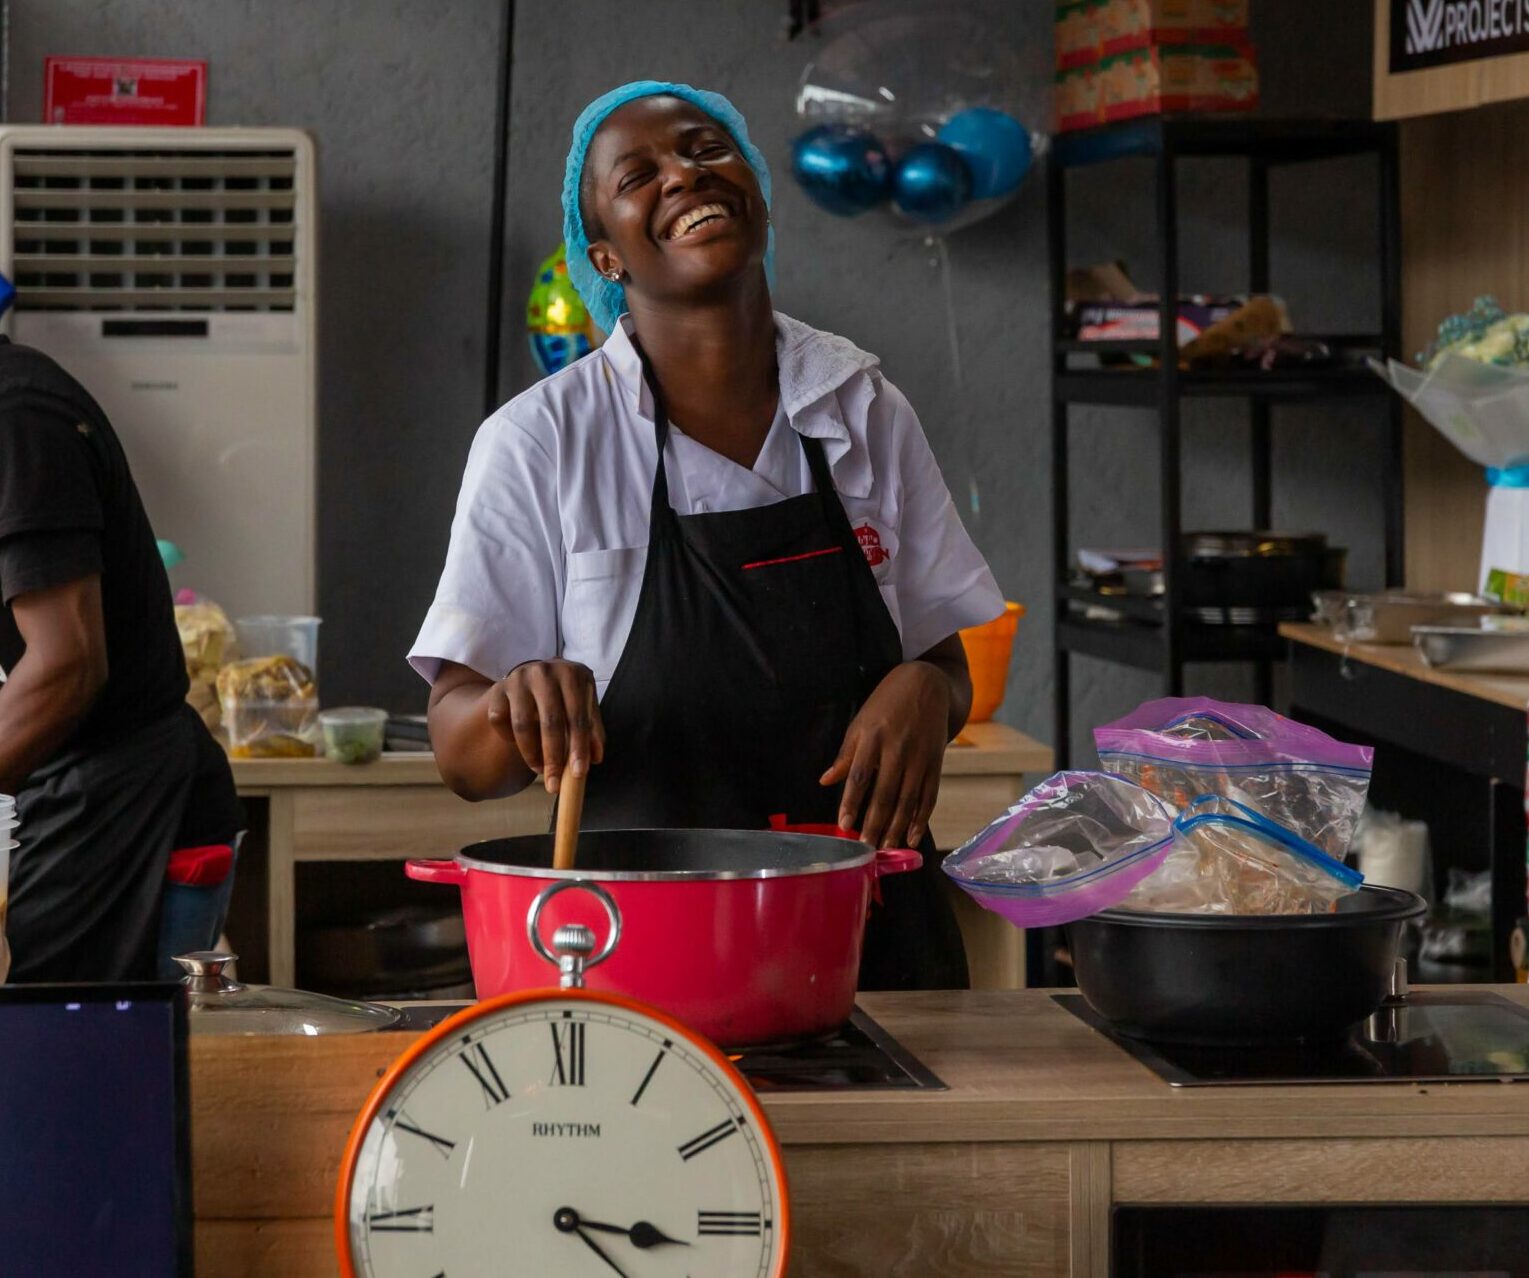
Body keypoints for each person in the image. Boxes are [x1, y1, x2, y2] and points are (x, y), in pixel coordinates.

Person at [410, 81, 1004, 989]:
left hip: (861, 941)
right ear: (603, 257)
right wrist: (513, 701)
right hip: (644, 952)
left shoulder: (862, 404)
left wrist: (928, 684)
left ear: (758, 194)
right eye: (638, 174)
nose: (685, 174)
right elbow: (461, 755)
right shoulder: (542, 442)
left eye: (705, 149)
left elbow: (946, 665)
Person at [0, 337, 241, 982]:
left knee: (72, 1067)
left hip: (119, 810)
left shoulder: (17, 421)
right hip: (83, 799)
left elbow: (66, 667)